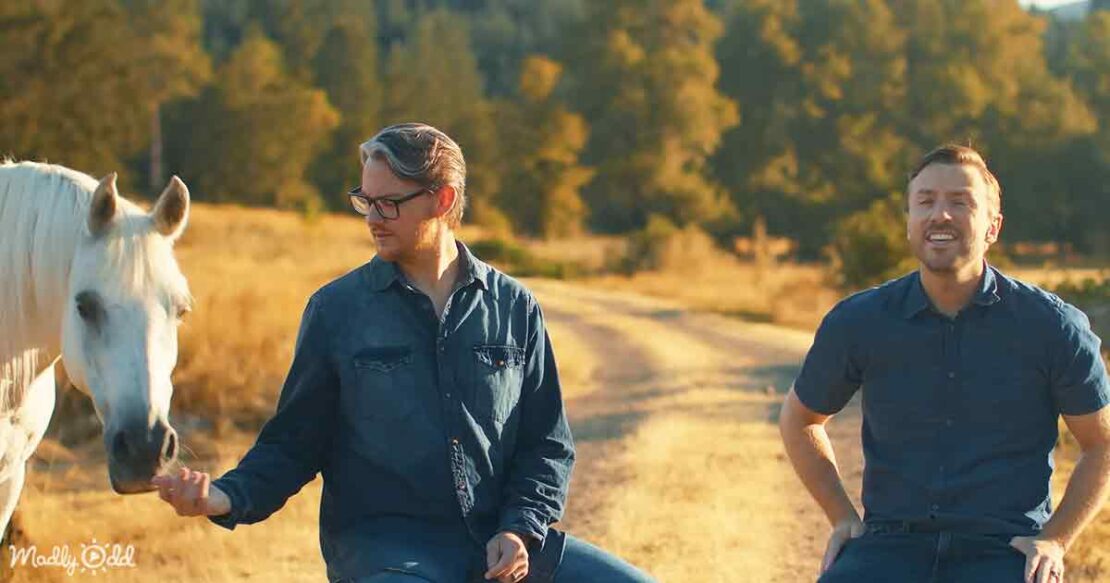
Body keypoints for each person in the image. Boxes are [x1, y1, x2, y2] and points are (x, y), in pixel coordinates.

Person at [152, 123, 653, 583]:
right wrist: (224, 497)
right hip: (389, 556)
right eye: (364, 201)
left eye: (388, 203)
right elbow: (293, 444)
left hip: (500, 547)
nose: (372, 218)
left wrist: (519, 530)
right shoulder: (336, 311)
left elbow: (547, 445)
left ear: (443, 200)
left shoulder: (514, 306)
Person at [779, 144, 1110, 583]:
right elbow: (800, 419)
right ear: (910, 223)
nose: (941, 215)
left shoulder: (1053, 326)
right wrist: (842, 517)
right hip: (889, 546)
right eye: (926, 201)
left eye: (961, 202)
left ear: (993, 227)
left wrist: (1056, 539)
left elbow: (1101, 443)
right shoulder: (859, 321)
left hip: (1005, 551)